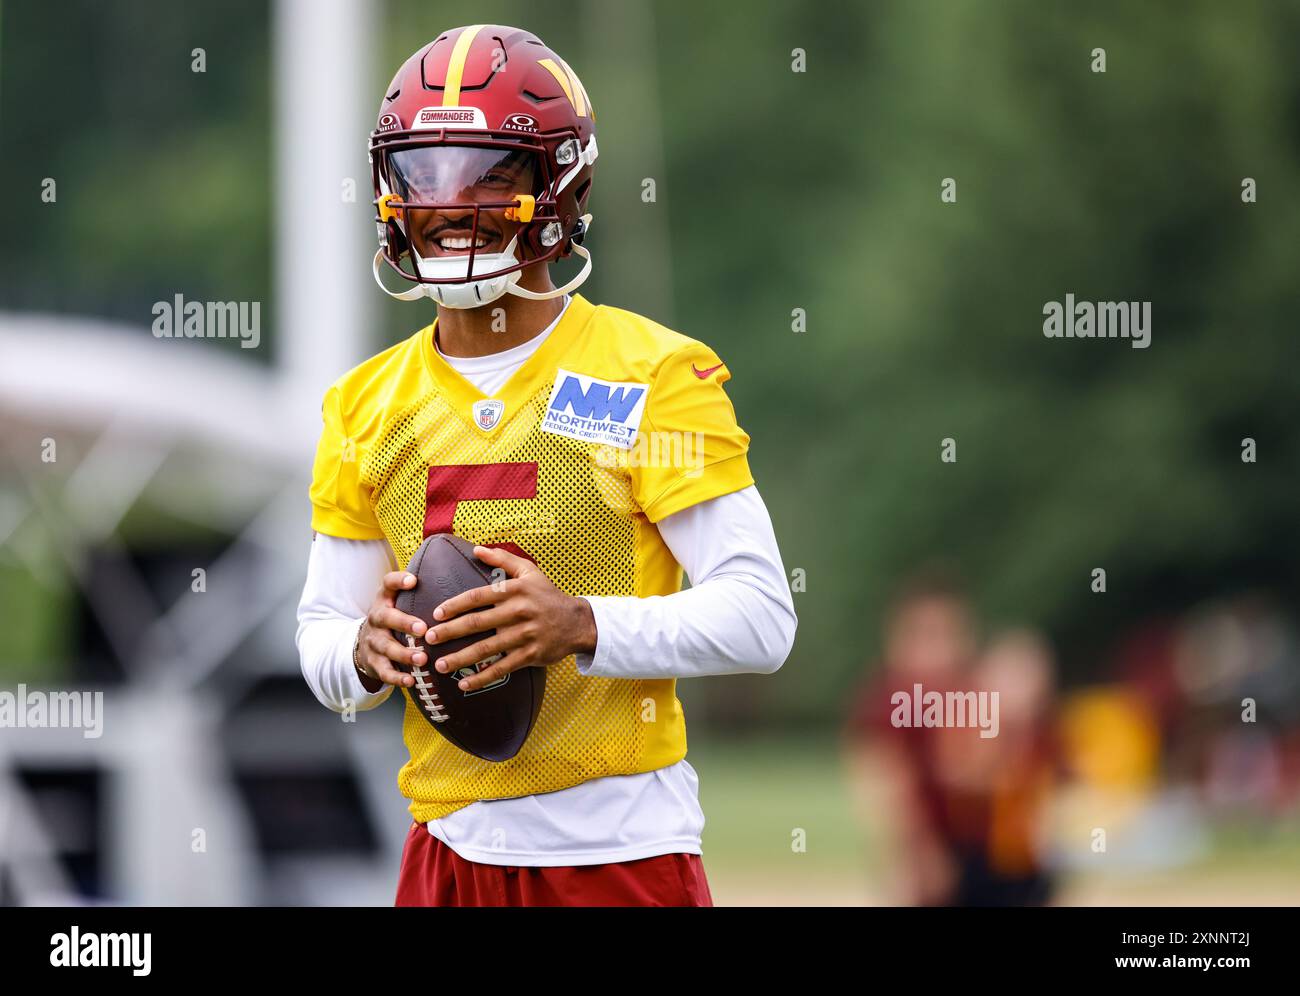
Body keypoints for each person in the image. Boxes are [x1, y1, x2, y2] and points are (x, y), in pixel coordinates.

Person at [294, 24, 796, 907]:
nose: (448, 209)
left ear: (559, 187)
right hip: (442, 852)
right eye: (422, 177)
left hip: (618, 852)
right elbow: (321, 635)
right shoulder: (363, 406)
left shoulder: (650, 377)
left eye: (486, 176)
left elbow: (761, 617)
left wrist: (582, 627)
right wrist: (362, 654)